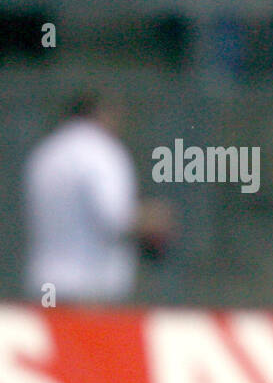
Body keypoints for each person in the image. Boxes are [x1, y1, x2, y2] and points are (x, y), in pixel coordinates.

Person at [23, 92, 173, 304]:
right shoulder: (101, 152)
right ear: (101, 114)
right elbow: (115, 217)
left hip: (47, 284)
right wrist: (153, 219)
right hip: (89, 286)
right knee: (83, 338)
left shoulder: (46, 152)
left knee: (53, 335)